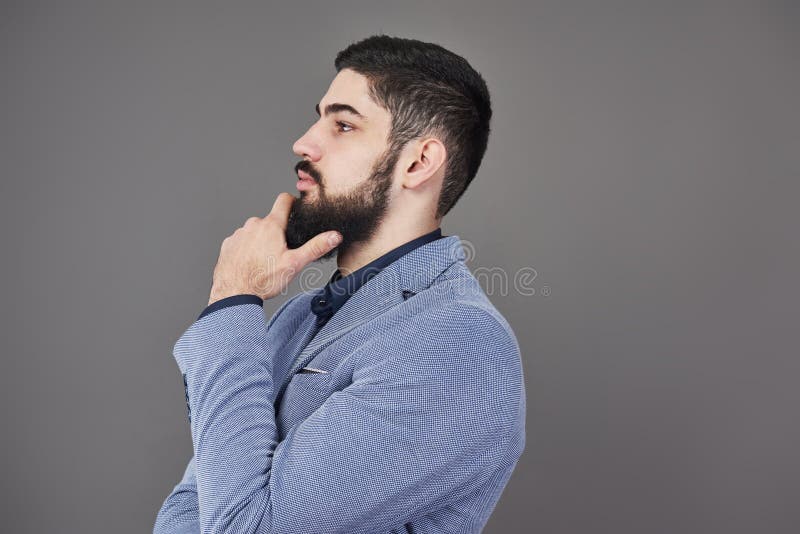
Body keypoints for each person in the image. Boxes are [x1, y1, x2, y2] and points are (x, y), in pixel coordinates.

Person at [154, 34, 525, 534]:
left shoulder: (459, 344)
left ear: (418, 163)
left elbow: (247, 527)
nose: (304, 143)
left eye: (344, 125)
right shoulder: (295, 316)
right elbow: (187, 510)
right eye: (319, 118)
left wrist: (232, 297)